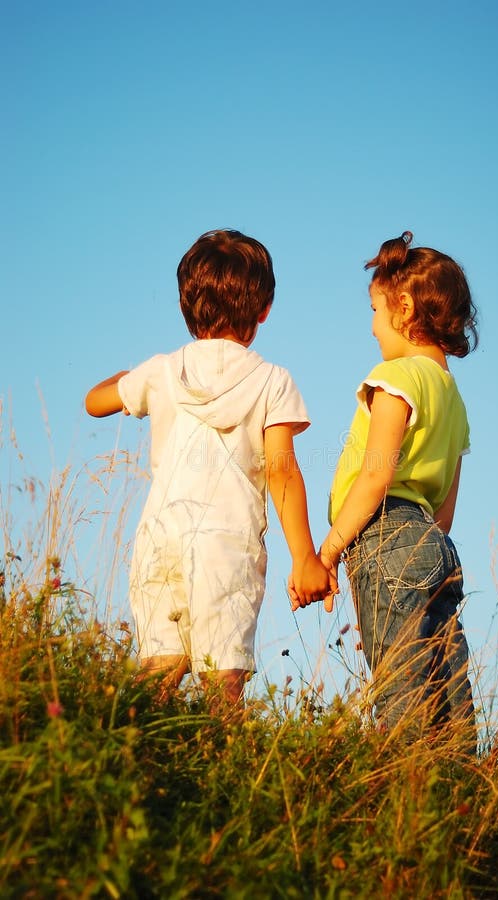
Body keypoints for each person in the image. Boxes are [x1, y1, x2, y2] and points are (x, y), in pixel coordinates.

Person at [86, 229, 336, 708]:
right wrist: (305, 557)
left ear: (185, 308)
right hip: (227, 545)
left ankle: (127, 756)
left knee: (157, 671)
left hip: (160, 537)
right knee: (222, 683)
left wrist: (128, 378)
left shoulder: (162, 370)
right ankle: (223, 773)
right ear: (263, 310)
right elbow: (282, 471)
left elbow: (95, 403)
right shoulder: (271, 380)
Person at [302, 231, 477, 738]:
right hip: (435, 547)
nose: (375, 328)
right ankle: (459, 785)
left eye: (376, 311)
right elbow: (444, 512)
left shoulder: (396, 375)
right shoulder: (455, 401)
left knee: (401, 692)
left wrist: (330, 550)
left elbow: (377, 472)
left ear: (403, 307)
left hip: (386, 539)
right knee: (447, 688)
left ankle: (406, 792)